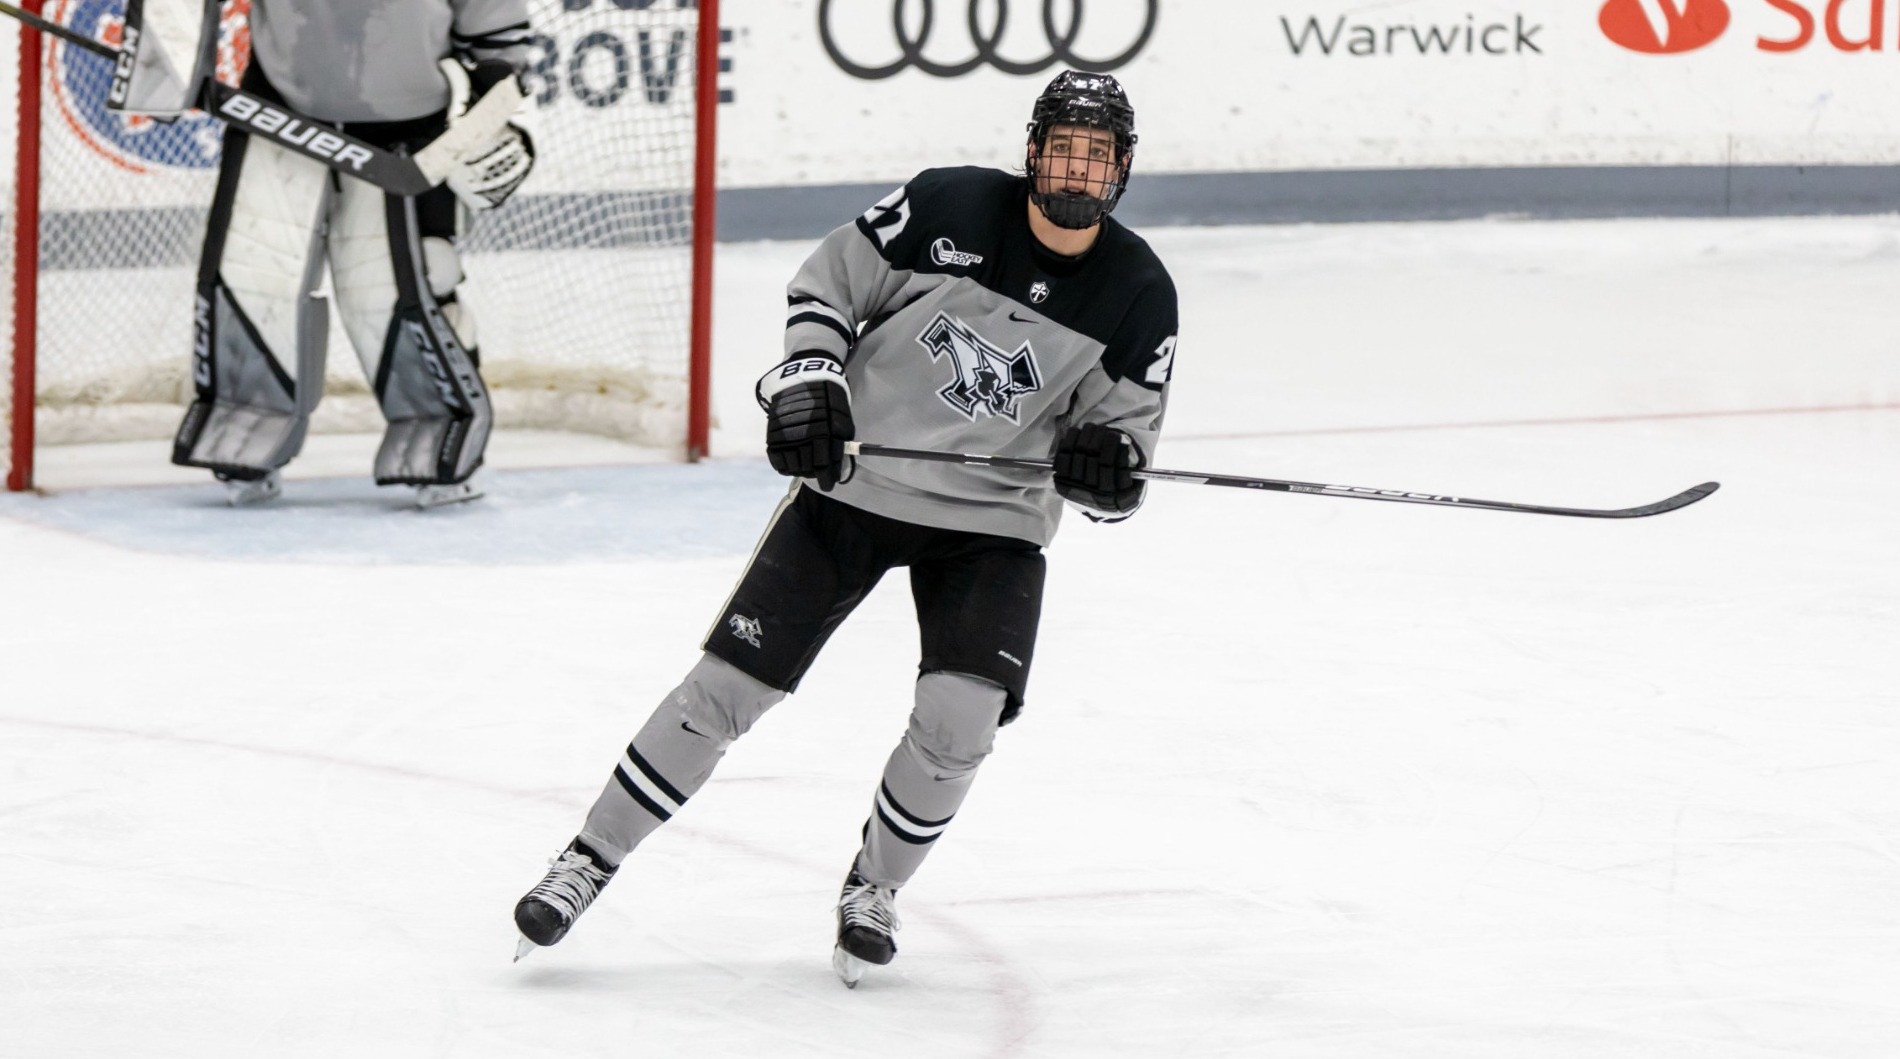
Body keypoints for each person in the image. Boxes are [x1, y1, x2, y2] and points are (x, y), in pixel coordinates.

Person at [512, 70, 1179, 987]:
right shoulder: (947, 205)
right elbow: (827, 285)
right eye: (1063, 147)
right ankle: (587, 860)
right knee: (725, 691)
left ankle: (876, 888)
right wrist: (812, 377)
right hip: (854, 488)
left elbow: (1122, 461)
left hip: (992, 524)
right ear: (1032, 151)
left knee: (962, 719)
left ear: (1124, 168)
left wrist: (1107, 467)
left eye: (1097, 154)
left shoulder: (1140, 292)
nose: (1077, 168)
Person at [169, 0, 535, 507]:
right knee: (255, 275)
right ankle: (244, 426)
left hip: (407, 126)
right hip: (278, 111)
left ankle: (440, 430)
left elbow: (495, 29)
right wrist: (160, 62)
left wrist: (493, 103)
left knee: (410, 279)